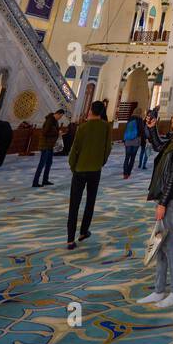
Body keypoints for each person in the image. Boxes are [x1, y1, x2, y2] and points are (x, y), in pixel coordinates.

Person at [139, 105, 173, 308]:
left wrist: (163, 203)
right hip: (164, 197)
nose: (171, 118)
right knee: (160, 245)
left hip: (168, 199)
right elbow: (159, 147)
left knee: (169, 245)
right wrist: (151, 128)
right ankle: (159, 290)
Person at [66, 101, 113, 250]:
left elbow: (74, 150)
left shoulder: (83, 127)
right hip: (95, 170)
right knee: (90, 202)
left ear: (91, 110)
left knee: (74, 204)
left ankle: (70, 239)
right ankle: (83, 231)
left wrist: (74, 167)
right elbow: (108, 148)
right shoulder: (106, 127)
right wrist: (100, 162)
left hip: (80, 169)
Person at [32, 108, 64, 188]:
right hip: (45, 145)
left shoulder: (54, 121)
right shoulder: (50, 120)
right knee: (42, 164)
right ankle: (35, 182)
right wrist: (57, 133)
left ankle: (45, 180)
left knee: (49, 163)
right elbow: (45, 132)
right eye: (60, 116)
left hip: (50, 145)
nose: (60, 118)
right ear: (58, 114)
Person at [122, 106, 142, 179]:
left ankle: (124, 173)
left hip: (128, 140)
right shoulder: (140, 119)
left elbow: (126, 129)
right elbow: (141, 131)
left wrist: (124, 139)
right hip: (136, 141)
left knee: (127, 157)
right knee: (132, 158)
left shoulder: (130, 118)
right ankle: (128, 173)